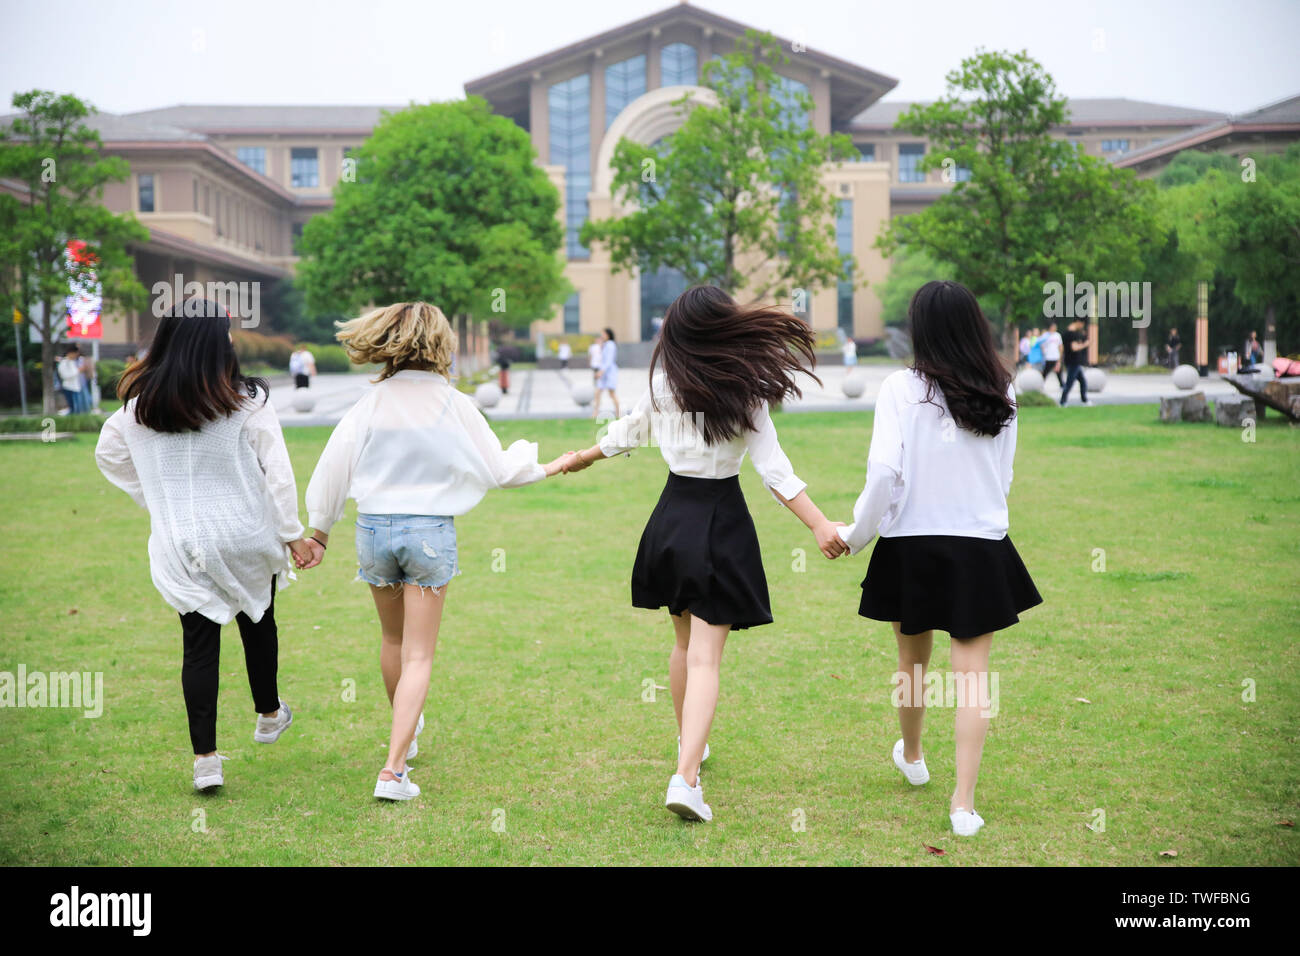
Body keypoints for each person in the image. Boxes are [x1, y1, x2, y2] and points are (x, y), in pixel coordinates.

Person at [558, 286, 848, 823]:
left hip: (671, 519)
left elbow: (624, 435)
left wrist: (574, 459)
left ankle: (690, 750)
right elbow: (775, 472)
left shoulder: (663, 383)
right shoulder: (746, 390)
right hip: (720, 521)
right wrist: (820, 525)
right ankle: (686, 776)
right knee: (705, 658)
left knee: (684, 643)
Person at [304, 302, 571, 802]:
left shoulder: (372, 402)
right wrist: (552, 464)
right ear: (439, 343)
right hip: (428, 531)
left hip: (373, 530)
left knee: (392, 642)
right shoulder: (452, 402)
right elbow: (500, 470)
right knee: (419, 653)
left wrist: (319, 531)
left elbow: (332, 469)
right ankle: (393, 770)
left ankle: (406, 736)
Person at [837, 280, 1040, 837]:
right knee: (974, 680)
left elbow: (884, 475)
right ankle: (963, 805)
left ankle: (914, 753)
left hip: (912, 544)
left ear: (920, 328)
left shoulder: (900, 388)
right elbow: (1005, 475)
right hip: (979, 544)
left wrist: (854, 536)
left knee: (912, 664)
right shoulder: (1003, 387)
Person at [94, 300, 316, 792]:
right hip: (244, 536)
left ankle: (206, 761)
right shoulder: (247, 400)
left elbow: (108, 456)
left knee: (198, 649)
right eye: (228, 333)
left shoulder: (137, 409)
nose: (233, 341)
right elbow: (277, 474)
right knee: (258, 621)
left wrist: (159, 499)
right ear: (214, 342)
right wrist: (292, 533)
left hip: (181, 543)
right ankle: (269, 714)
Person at [1059, 319, 1092, 406]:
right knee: (1069, 383)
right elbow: (1074, 348)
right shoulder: (1072, 334)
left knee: (1082, 381)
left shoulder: (1065, 333)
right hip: (1073, 361)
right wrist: (1086, 344)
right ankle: (1063, 401)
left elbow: (1062, 348)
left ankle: (1084, 400)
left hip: (1070, 360)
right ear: (1078, 322)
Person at [593, 327, 620, 419]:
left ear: (608, 335)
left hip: (609, 372)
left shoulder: (611, 345)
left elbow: (609, 361)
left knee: (611, 393)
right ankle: (595, 413)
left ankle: (618, 413)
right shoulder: (606, 345)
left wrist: (601, 372)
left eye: (603, 334)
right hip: (604, 371)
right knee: (597, 392)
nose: (602, 336)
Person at [56, 345, 84, 415]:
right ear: (70, 353)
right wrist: (78, 371)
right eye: (75, 354)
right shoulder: (64, 362)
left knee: (77, 408)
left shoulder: (71, 362)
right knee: (73, 407)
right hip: (69, 387)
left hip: (75, 388)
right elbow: (65, 376)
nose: (76, 356)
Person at [1040, 321, 1064, 386]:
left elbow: (1060, 346)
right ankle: (1040, 384)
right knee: (1045, 372)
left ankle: (1062, 385)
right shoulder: (1045, 335)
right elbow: (1041, 345)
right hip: (1048, 357)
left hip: (1056, 357)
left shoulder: (1057, 335)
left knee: (1059, 372)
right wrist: (1044, 353)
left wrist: (1060, 357)